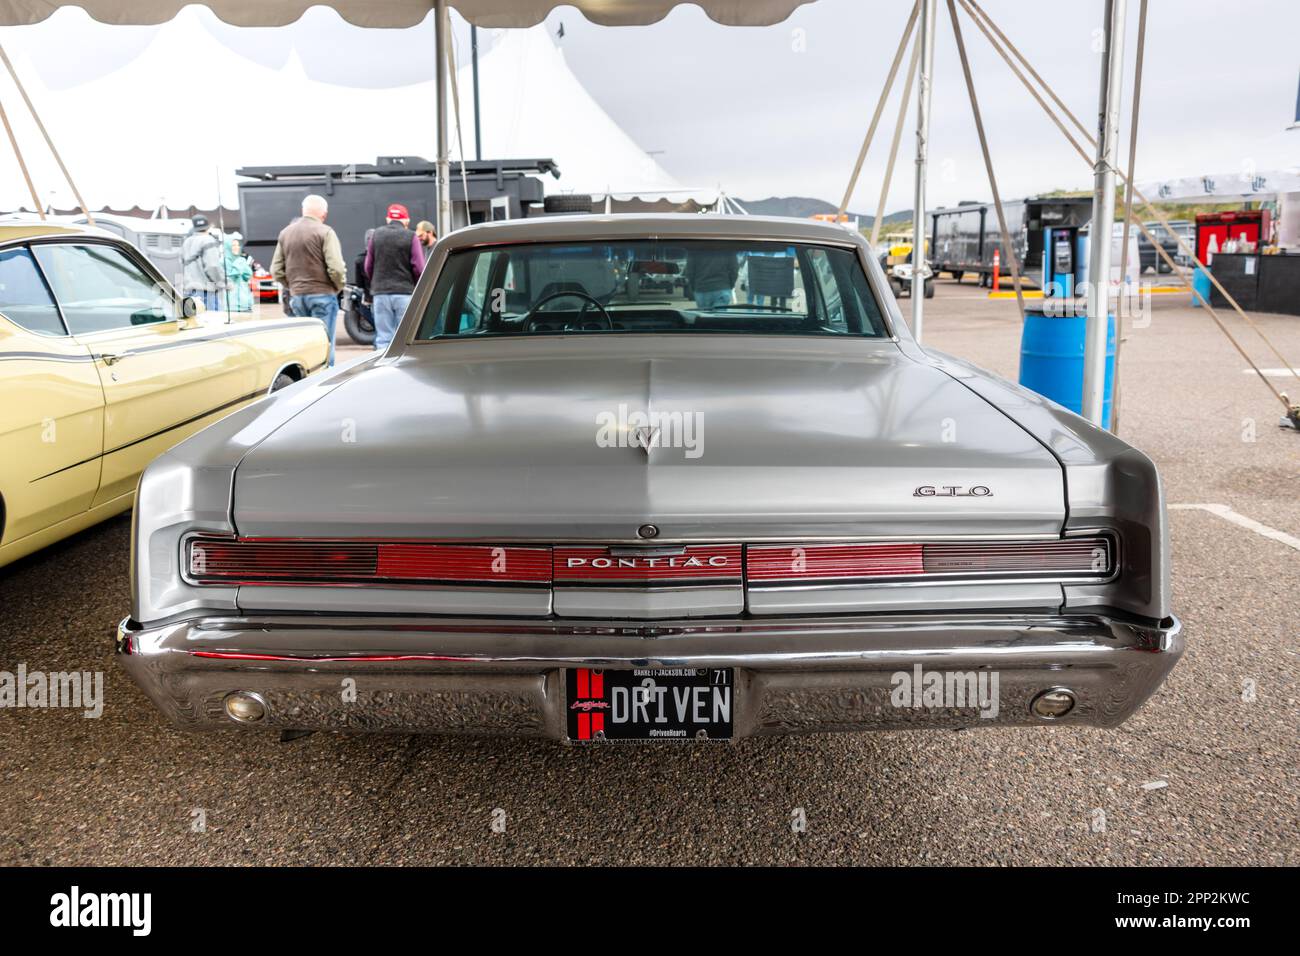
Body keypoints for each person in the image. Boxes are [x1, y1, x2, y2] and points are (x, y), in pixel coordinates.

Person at [271, 194, 347, 366]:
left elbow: (276, 269)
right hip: (323, 295)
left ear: (303, 210)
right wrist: (338, 286)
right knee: (325, 345)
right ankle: (325, 383)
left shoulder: (286, 233)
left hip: (297, 297)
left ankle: (306, 382)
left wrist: (292, 286)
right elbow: (336, 267)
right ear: (324, 213)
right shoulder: (325, 232)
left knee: (304, 346)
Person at [364, 203, 426, 351]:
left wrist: (377, 282)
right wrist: (416, 286)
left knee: (384, 339)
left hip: (381, 293)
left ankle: (383, 371)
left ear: (388, 219)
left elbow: (368, 266)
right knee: (405, 340)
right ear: (406, 221)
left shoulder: (376, 235)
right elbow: (419, 268)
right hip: (404, 293)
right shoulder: (411, 236)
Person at [180, 214, 226, 311]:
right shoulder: (208, 240)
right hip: (206, 291)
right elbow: (213, 266)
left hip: (189, 291)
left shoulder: (186, 242)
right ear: (208, 227)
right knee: (214, 322)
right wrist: (221, 283)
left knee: (195, 322)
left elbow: (181, 262)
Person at [223, 236, 253, 313]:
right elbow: (232, 276)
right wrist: (239, 263)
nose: (237, 247)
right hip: (231, 306)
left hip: (245, 304)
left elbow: (247, 276)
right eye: (233, 245)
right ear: (227, 247)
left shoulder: (241, 260)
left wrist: (241, 263)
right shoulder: (223, 261)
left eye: (238, 245)